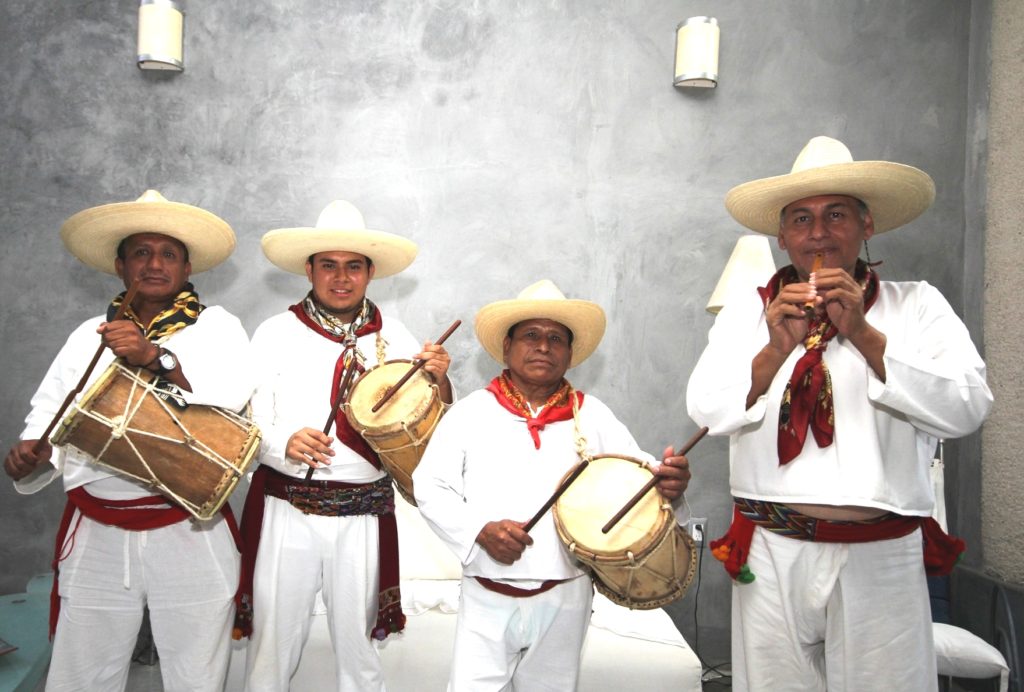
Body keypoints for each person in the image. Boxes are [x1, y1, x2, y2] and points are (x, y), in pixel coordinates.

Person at [686, 136, 994, 691]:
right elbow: (706, 408)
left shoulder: (916, 304)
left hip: (883, 554)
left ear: (867, 225)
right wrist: (773, 350)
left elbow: (968, 407)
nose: (818, 232)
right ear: (782, 237)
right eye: (801, 219)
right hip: (772, 550)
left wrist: (864, 335)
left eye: (836, 215)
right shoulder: (746, 313)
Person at [3, 190, 251, 691]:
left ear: (185, 268)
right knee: (82, 675)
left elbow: (229, 410)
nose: (154, 264)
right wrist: (32, 453)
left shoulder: (218, 328)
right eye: (141, 253)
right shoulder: (86, 335)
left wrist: (153, 356)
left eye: (168, 255)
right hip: (96, 528)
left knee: (197, 674)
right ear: (120, 266)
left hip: (189, 528)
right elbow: (48, 414)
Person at [413, 279, 692, 691]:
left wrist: (670, 484)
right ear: (506, 348)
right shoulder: (472, 412)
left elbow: (639, 481)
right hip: (486, 591)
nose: (543, 346)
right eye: (530, 335)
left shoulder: (593, 416)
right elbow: (431, 485)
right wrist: (480, 532)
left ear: (570, 354)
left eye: (555, 338)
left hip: (567, 595)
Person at [238, 200, 453, 691]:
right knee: (271, 646)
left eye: (353, 266)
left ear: (370, 272)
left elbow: (427, 419)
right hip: (286, 508)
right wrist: (281, 443)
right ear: (309, 269)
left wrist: (441, 380)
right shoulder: (274, 333)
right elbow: (245, 421)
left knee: (359, 652)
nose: (341, 277)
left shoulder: (395, 337)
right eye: (328, 265)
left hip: (363, 514)